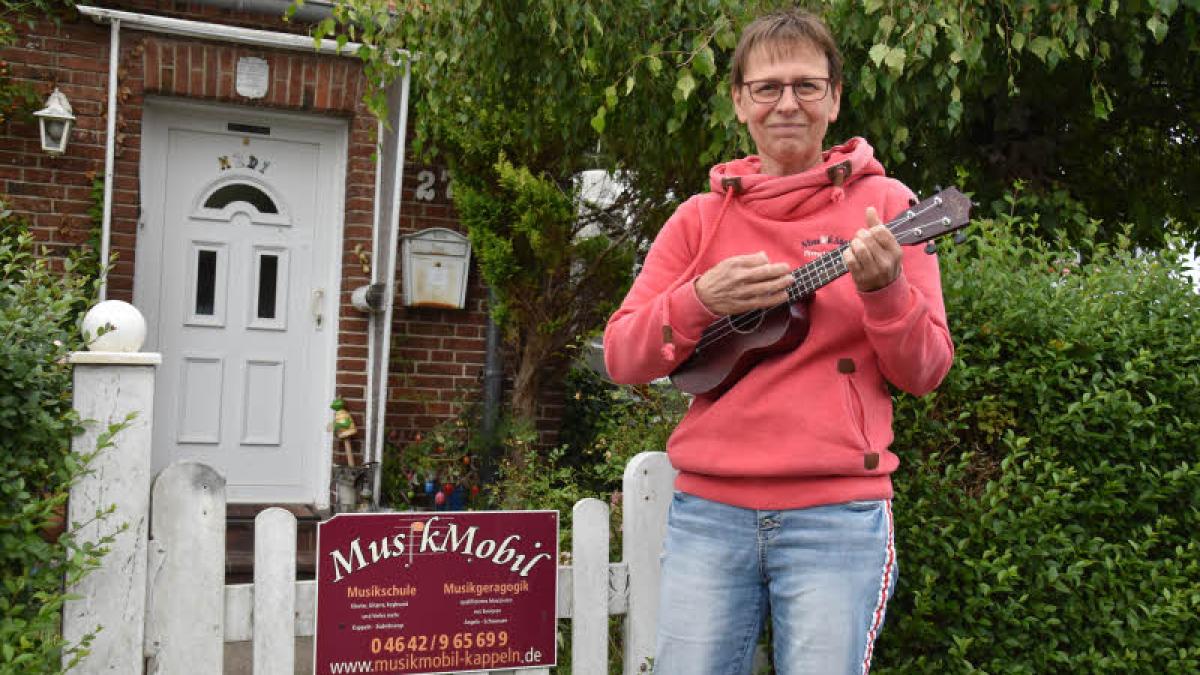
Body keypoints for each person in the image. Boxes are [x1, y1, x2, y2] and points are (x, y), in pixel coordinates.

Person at [602, 9, 954, 674]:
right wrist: (699, 300)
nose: (787, 103)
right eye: (767, 87)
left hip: (837, 516)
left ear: (835, 98)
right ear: (739, 102)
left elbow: (926, 370)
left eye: (806, 85)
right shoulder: (699, 219)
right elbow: (622, 354)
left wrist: (885, 291)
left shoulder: (886, 207)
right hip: (710, 512)